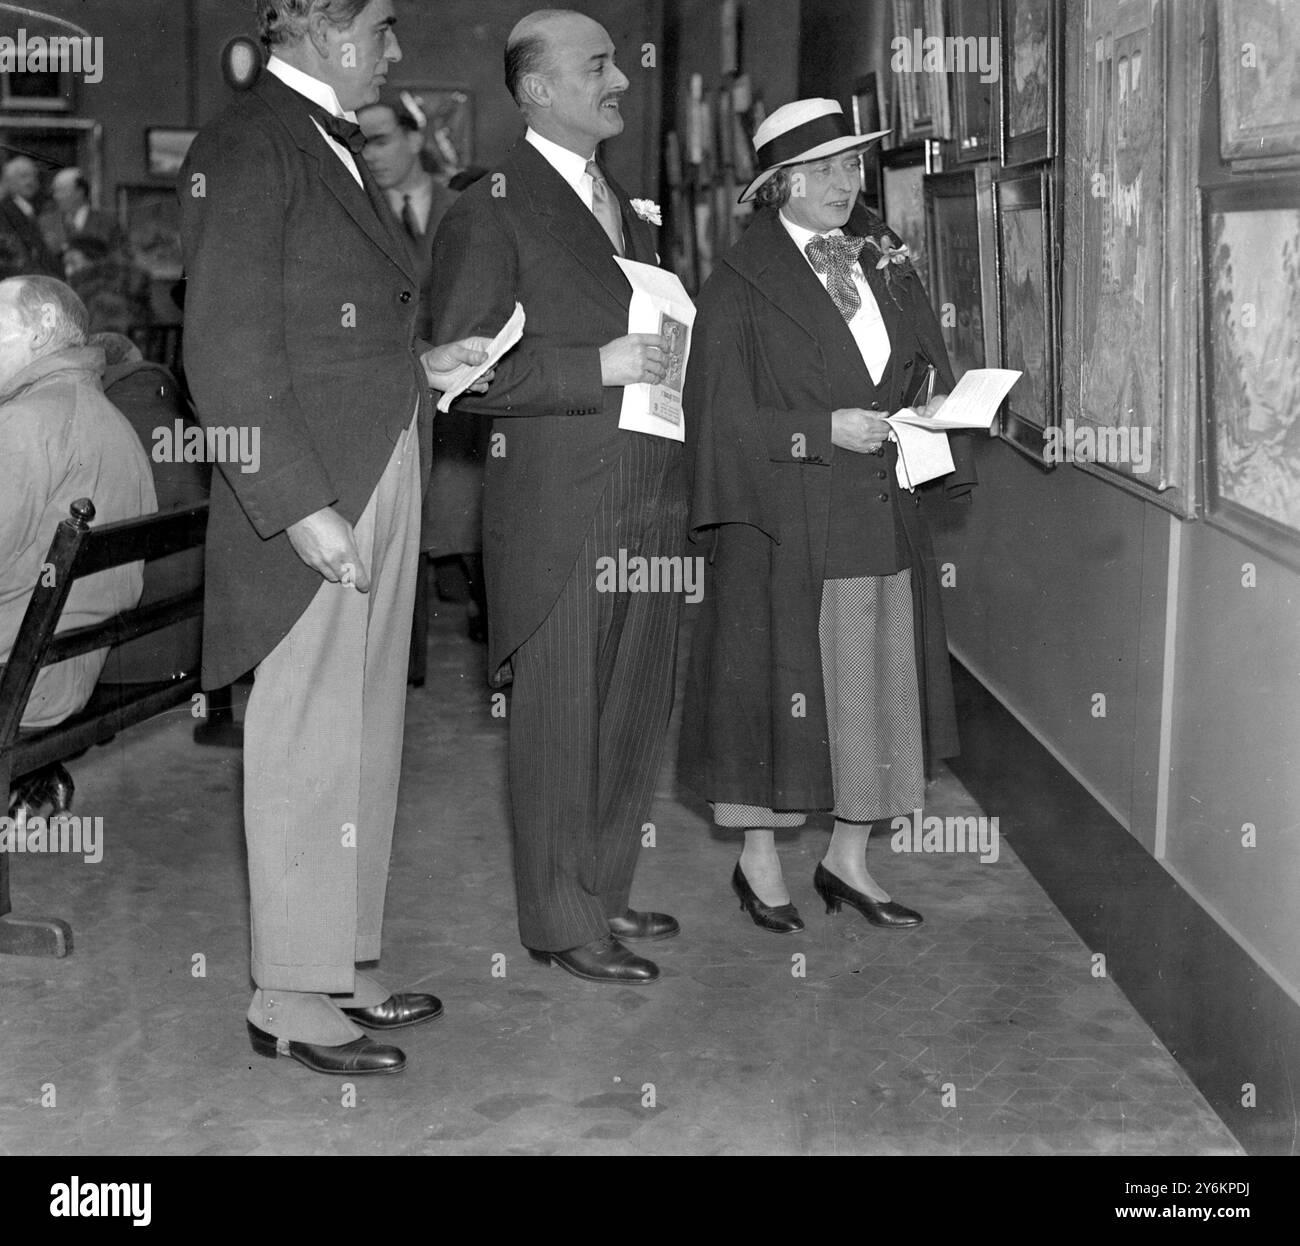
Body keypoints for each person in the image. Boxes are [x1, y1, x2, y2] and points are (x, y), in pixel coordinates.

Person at [179, 0, 490, 1077]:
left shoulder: (323, 140)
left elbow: (330, 321)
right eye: (382, 25)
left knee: (362, 733)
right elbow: (222, 338)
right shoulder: (248, 140)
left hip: (378, 460)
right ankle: (286, 994)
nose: (396, 50)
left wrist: (424, 365)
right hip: (317, 488)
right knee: (309, 739)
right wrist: (298, 501)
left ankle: (341, 961)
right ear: (319, 26)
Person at [678, 99, 977, 934]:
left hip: (881, 513)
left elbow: (917, 361)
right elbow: (716, 423)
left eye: (852, 165)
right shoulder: (738, 285)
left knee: (875, 691)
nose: (845, 182)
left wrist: (938, 404)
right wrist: (820, 429)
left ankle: (849, 859)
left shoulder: (883, 256)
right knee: (777, 696)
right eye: (822, 170)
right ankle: (759, 860)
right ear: (780, 186)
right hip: (787, 525)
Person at [430, 9, 683, 984]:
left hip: (648, 493)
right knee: (560, 719)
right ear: (535, 89)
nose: (618, 79)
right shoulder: (489, 205)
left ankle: (603, 892)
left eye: (615, 61)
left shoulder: (622, 204)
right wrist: (599, 365)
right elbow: (462, 374)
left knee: (626, 715)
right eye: (596, 66)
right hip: (560, 509)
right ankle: (559, 919)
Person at [358, 92, 486, 646]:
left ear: (415, 138)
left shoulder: (463, 207)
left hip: (459, 390)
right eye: (359, 143)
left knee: (462, 512)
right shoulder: (354, 211)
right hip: (384, 387)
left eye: (382, 138)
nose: (370, 154)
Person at [0, 277, 155, 730]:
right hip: (66, 669)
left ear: (42, 324)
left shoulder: (24, 421)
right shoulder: (111, 420)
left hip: (17, 681)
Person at [42, 167, 125, 259]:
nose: (56, 196)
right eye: (55, 191)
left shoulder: (107, 221)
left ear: (79, 192)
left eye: (61, 190)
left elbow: (118, 257)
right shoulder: (46, 223)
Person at [0, 157, 61, 278]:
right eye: (23, 176)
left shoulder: (37, 208)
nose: (30, 181)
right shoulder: (4, 210)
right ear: (9, 181)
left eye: (33, 176)